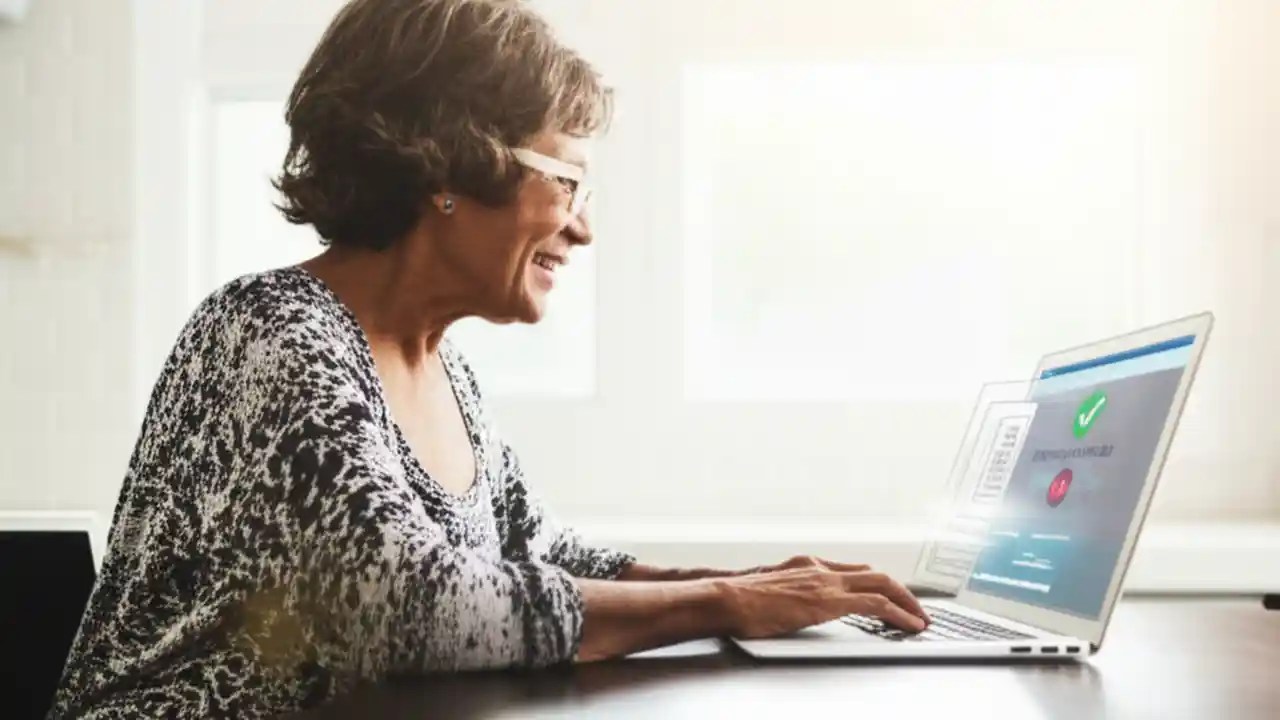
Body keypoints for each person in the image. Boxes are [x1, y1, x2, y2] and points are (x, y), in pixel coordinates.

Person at [50, 0, 928, 717]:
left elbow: (540, 550)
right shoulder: (270, 335)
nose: (584, 227)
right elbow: (413, 609)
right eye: (568, 183)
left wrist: (752, 583)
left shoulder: (444, 370)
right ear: (448, 162)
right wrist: (723, 605)